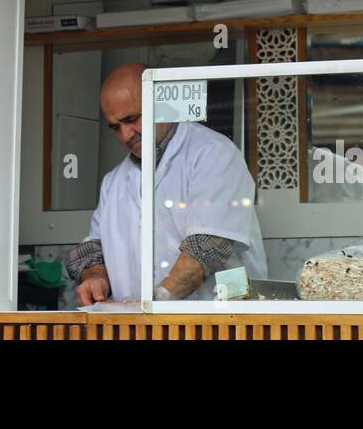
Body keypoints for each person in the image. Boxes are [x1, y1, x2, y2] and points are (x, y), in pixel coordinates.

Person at [65, 63, 267, 304]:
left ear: (161, 104)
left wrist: (153, 305)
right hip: (144, 327)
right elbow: (94, 247)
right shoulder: (114, 181)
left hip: (216, 323)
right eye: (115, 127)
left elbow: (208, 248)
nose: (125, 135)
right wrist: (95, 276)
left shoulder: (213, 153)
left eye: (132, 119)